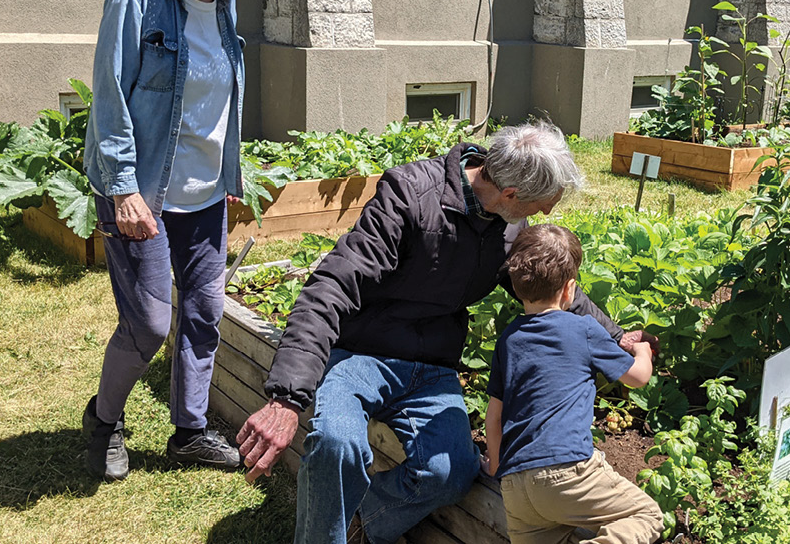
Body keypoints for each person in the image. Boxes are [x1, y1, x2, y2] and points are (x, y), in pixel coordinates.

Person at [237, 123, 658, 544]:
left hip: (432, 364)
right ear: (510, 194)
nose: (545, 215)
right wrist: (286, 399)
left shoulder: (506, 224)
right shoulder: (410, 195)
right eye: (542, 204)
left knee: (452, 472)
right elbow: (332, 286)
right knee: (336, 443)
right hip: (361, 353)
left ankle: (360, 522)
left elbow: (550, 287)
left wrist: (615, 335)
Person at [81, 0, 291, 481]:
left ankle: (190, 433)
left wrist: (228, 174)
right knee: (148, 323)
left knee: (204, 313)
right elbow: (109, 101)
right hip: (142, 191)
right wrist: (122, 189)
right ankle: (103, 419)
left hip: (203, 195)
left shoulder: (223, 0)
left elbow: (217, 98)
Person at [483, 224, 664, 544]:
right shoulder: (582, 328)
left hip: (515, 489)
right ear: (570, 290)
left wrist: (498, 469)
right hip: (567, 471)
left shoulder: (508, 340)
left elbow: (493, 417)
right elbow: (637, 378)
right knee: (645, 515)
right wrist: (643, 351)